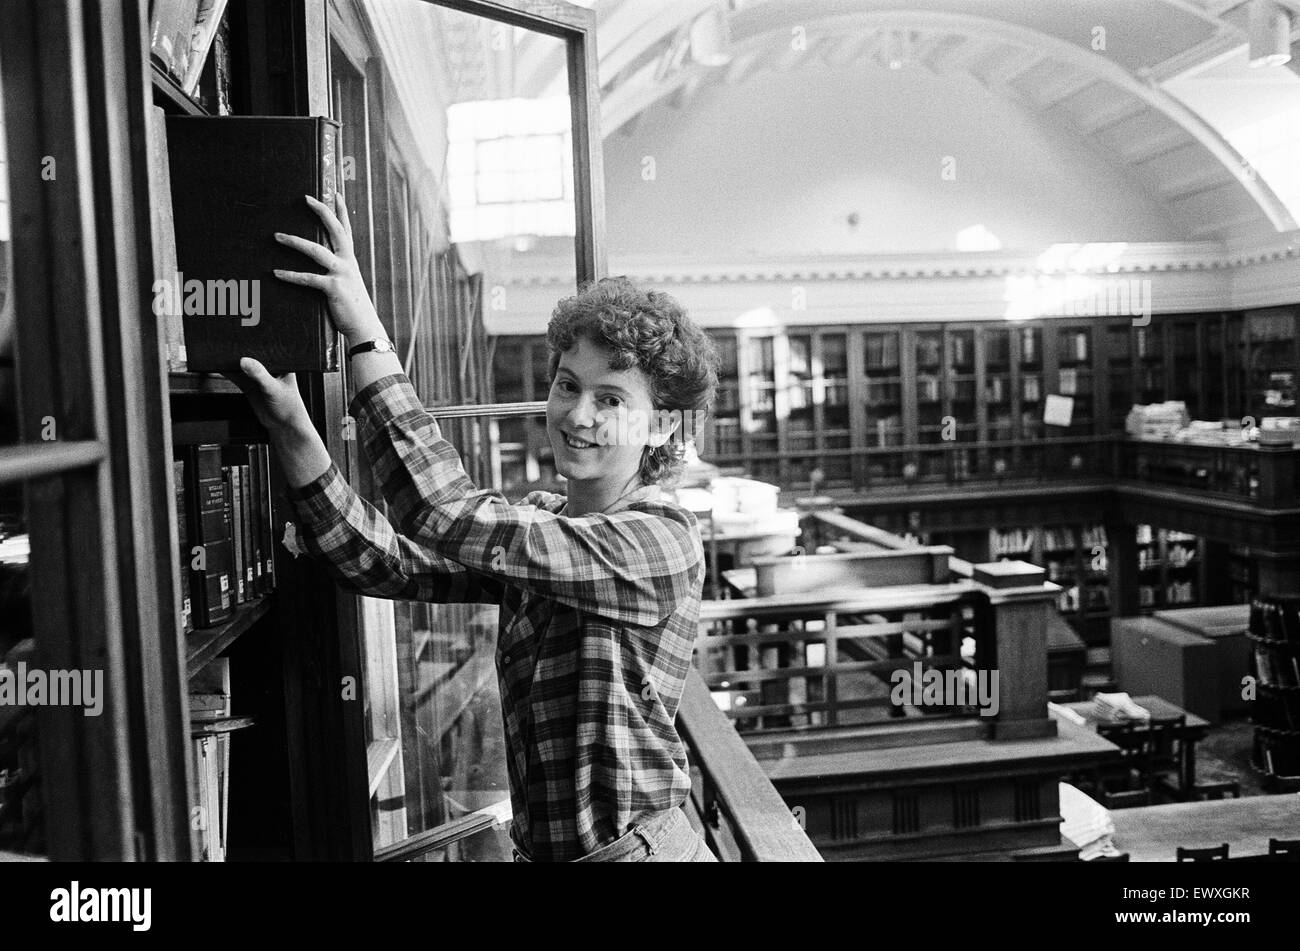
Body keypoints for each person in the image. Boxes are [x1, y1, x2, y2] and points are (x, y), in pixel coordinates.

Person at [234, 192, 720, 862]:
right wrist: (292, 430)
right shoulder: (551, 522)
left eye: (610, 399)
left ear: (662, 424)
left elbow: (441, 511)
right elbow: (383, 562)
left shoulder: (659, 540)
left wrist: (366, 332)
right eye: (566, 384)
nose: (577, 416)